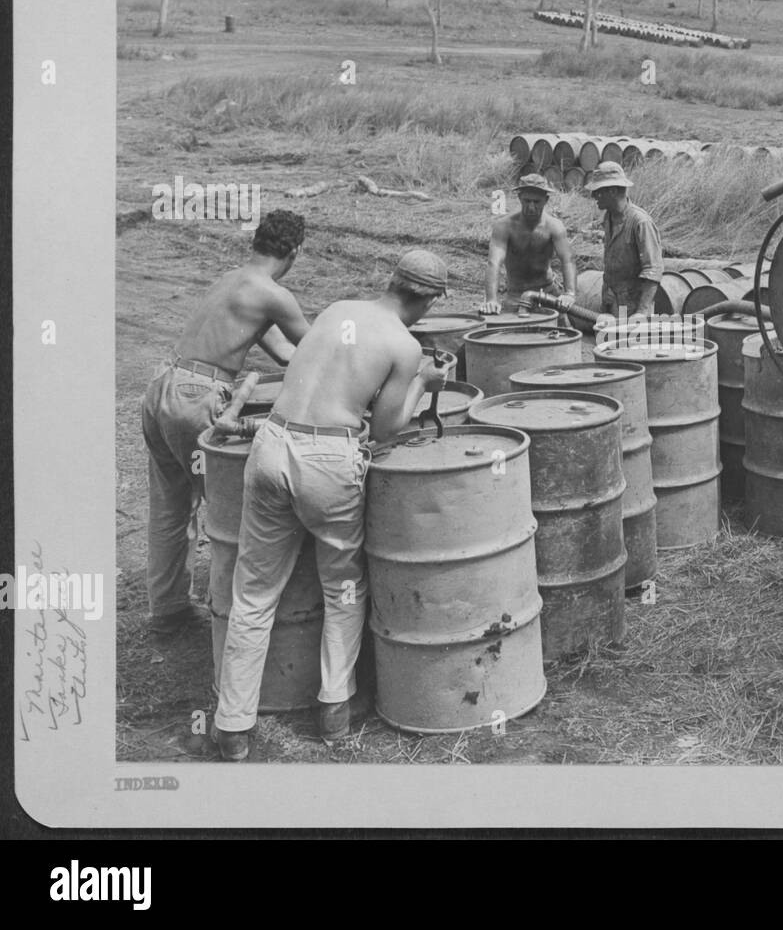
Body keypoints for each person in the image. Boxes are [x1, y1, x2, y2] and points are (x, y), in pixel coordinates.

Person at [211, 250, 453, 761]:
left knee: (253, 593)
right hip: (326, 459)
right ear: (428, 300)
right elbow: (387, 428)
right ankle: (335, 710)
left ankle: (232, 727)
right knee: (343, 587)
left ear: (390, 280)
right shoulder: (403, 345)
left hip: (271, 443)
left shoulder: (337, 309)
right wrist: (423, 383)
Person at [140, 210, 310, 636]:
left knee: (171, 507)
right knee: (226, 509)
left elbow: (284, 353)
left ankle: (169, 611)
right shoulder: (274, 295)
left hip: (163, 387)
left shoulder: (233, 279)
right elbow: (312, 349)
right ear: (294, 252)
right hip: (196, 399)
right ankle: (231, 616)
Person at [479, 173, 577, 315]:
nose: (531, 207)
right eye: (527, 201)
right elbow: (493, 263)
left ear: (546, 200)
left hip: (547, 293)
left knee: (563, 330)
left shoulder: (554, 226)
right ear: (520, 198)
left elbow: (568, 259)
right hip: (515, 295)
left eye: (536, 202)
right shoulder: (504, 226)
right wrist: (491, 299)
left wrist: (569, 293)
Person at [584, 162, 664, 320]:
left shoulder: (640, 222)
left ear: (613, 191)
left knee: (630, 344)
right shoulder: (608, 217)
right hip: (611, 301)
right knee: (608, 343)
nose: (594, 197)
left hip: (634, 308)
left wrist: (641, 312)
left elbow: (653, 270)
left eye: (598, 192)